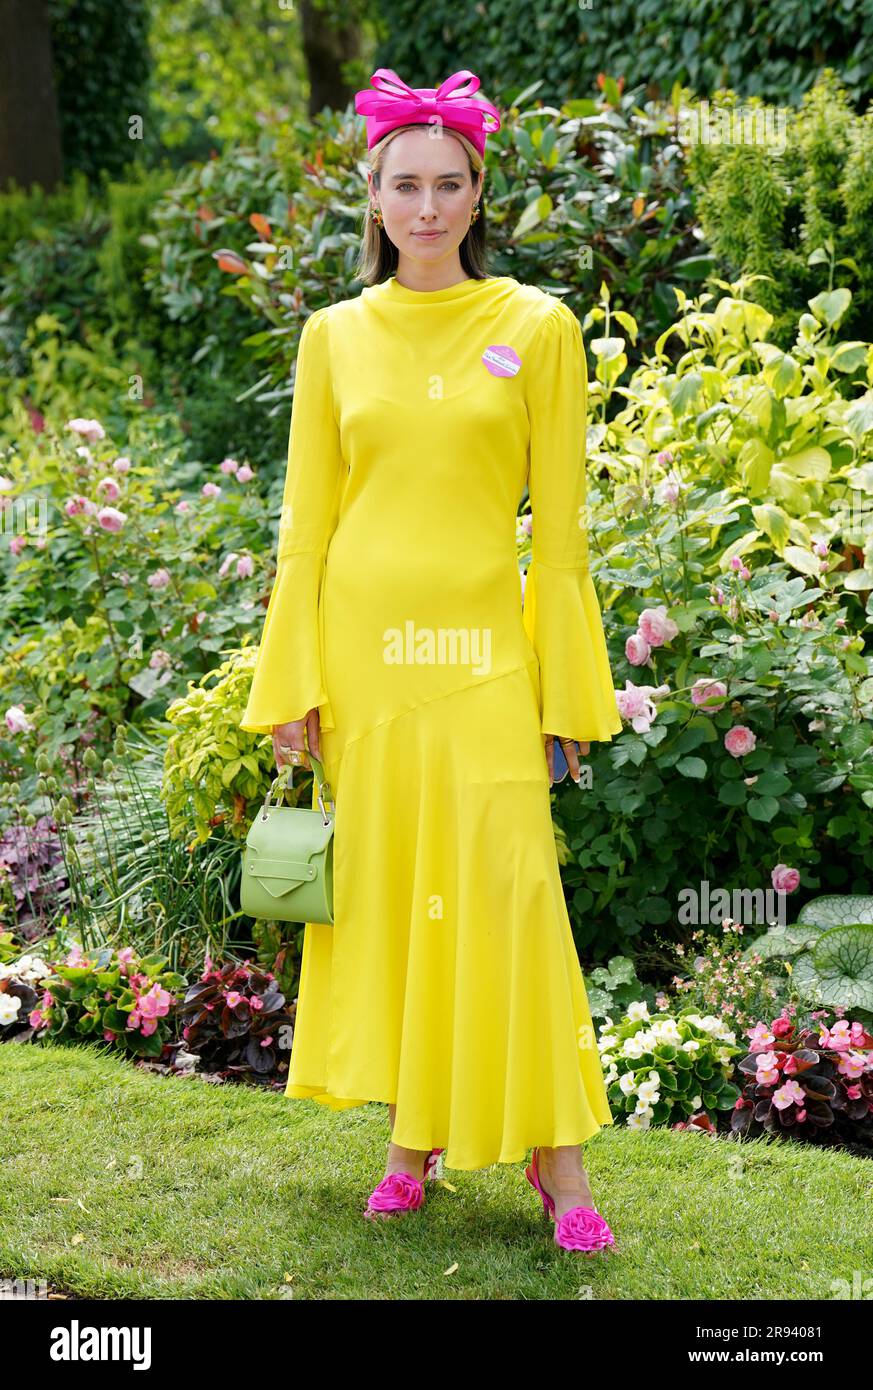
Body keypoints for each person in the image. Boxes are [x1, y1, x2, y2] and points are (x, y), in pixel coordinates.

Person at [239, 66, 624, 1254]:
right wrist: (292, 682)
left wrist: (566, 691)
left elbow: (558, 539)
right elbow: (307, 522)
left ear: (476, 193)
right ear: (374, 195)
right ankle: (410, 1148)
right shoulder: (333, 337)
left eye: (447, 184)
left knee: (510, 893)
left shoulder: (537, 328)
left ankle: (558, 1170)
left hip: (484, 664)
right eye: (404, 185)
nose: (425, 206)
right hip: (367, 666)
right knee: (401, 896)